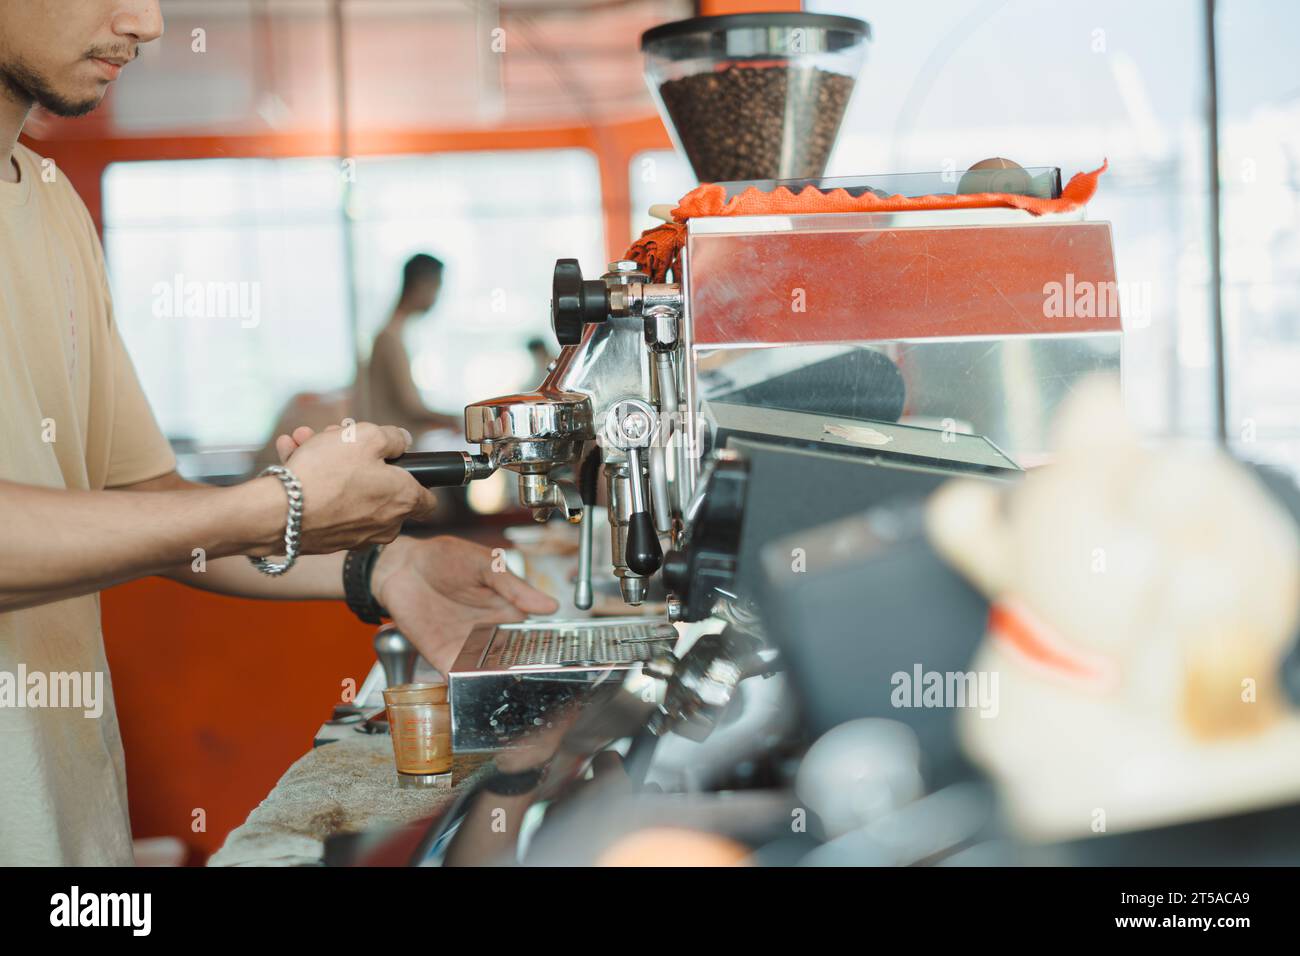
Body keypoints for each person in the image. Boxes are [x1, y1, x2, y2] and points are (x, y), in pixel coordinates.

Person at [0, 0, 557, 866]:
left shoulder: (52, 206)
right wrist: (280, 503)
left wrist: (383, 565)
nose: (147, 22)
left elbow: (142, 504)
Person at [367, 253, 463, 437]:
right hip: (397, 450)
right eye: (437, 287)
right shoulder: (389, 338)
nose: (437, 297)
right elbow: (411, 407)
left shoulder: (393, 334)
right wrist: (458, 420)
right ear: (421, 285)